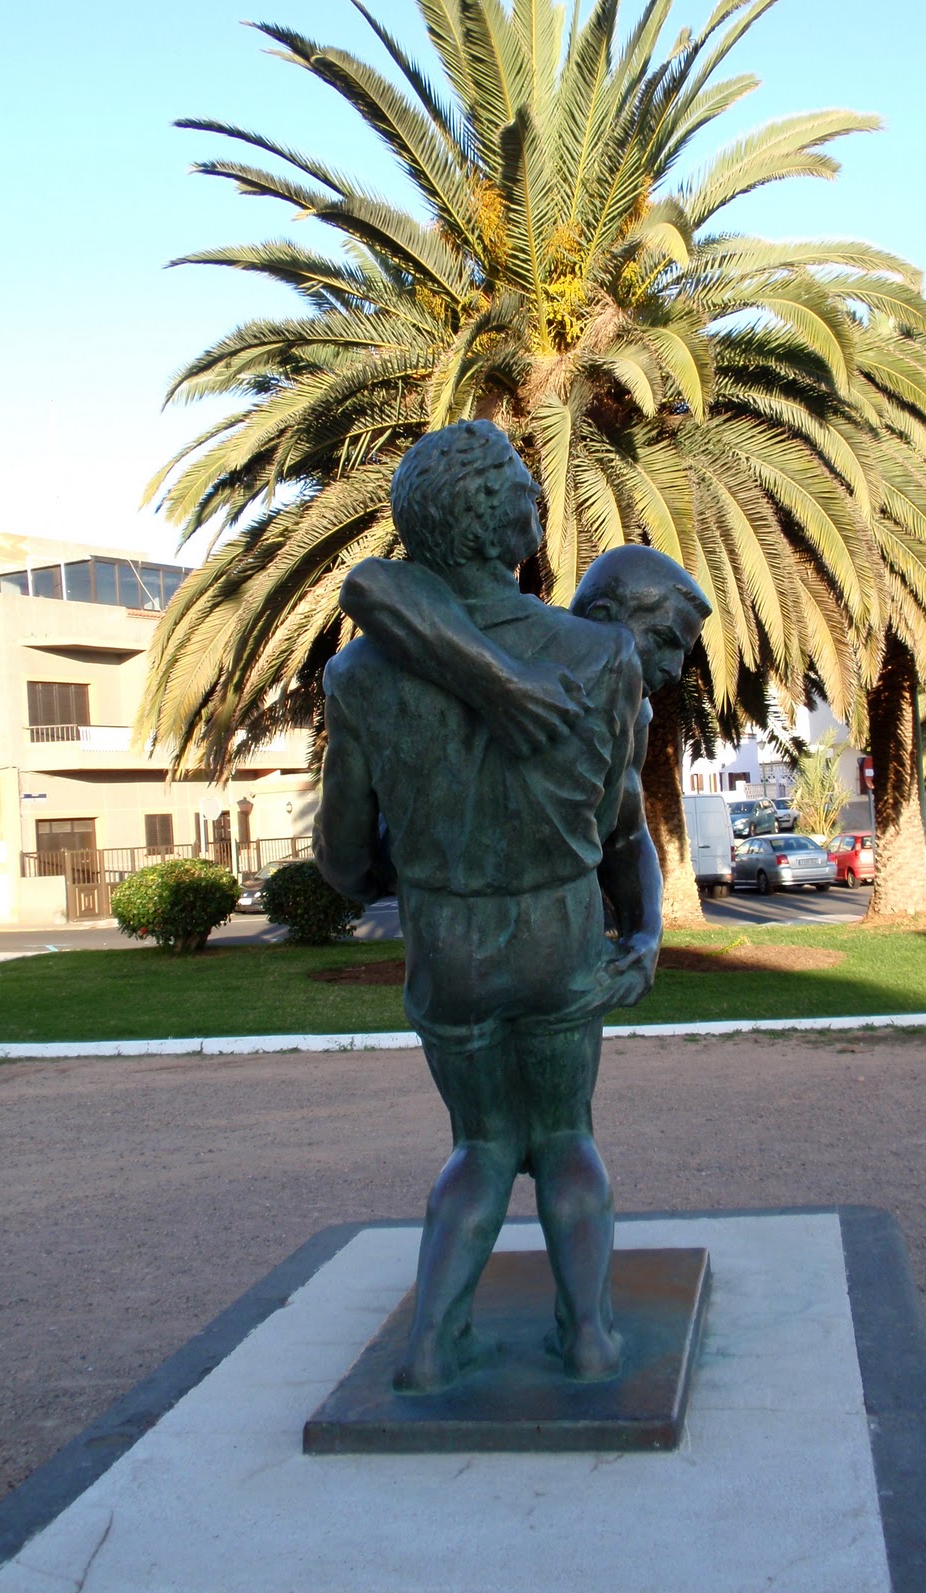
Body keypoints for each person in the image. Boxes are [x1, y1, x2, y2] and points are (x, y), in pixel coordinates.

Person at [314, 420, 708, 1392]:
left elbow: (340, 856)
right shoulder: (604, 656)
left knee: (482, 1145)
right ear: (498, 518)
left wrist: (398, 875)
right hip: (557, 929)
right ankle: (590, 1338)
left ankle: (432, 1346)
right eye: (524, 487)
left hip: (447, 940)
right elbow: (613, 819)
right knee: (566, 1135)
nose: (539, 498)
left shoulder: (357, 673)